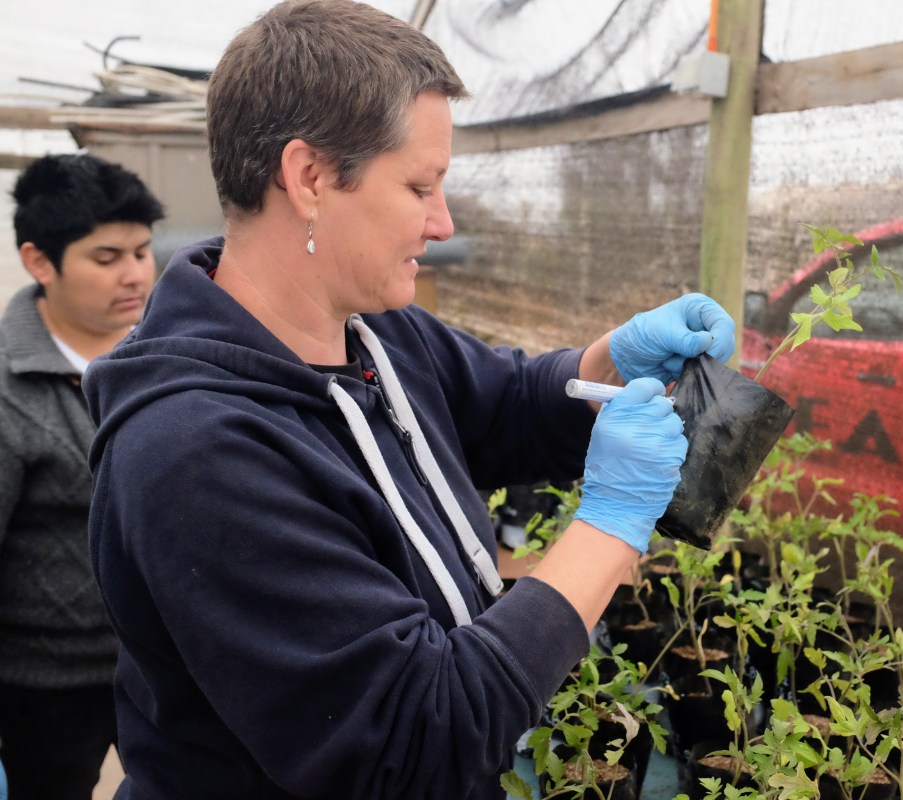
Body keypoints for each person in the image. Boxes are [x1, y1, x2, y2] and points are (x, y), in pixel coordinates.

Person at [82, 2, 735, 798]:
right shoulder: (199, 452)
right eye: (420, 185)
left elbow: (507, 406)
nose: (442, 221)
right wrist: (609, 525)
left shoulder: (375, 334)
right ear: (310, 178)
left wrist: (609, 360)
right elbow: (414, 744)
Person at [0, 153, 163, 799]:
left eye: (143, 252)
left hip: (162, 665)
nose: (135, 275)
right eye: (106, 258)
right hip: (46, 683)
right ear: (40, 261)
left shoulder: (163, 353)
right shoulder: (11, 392)